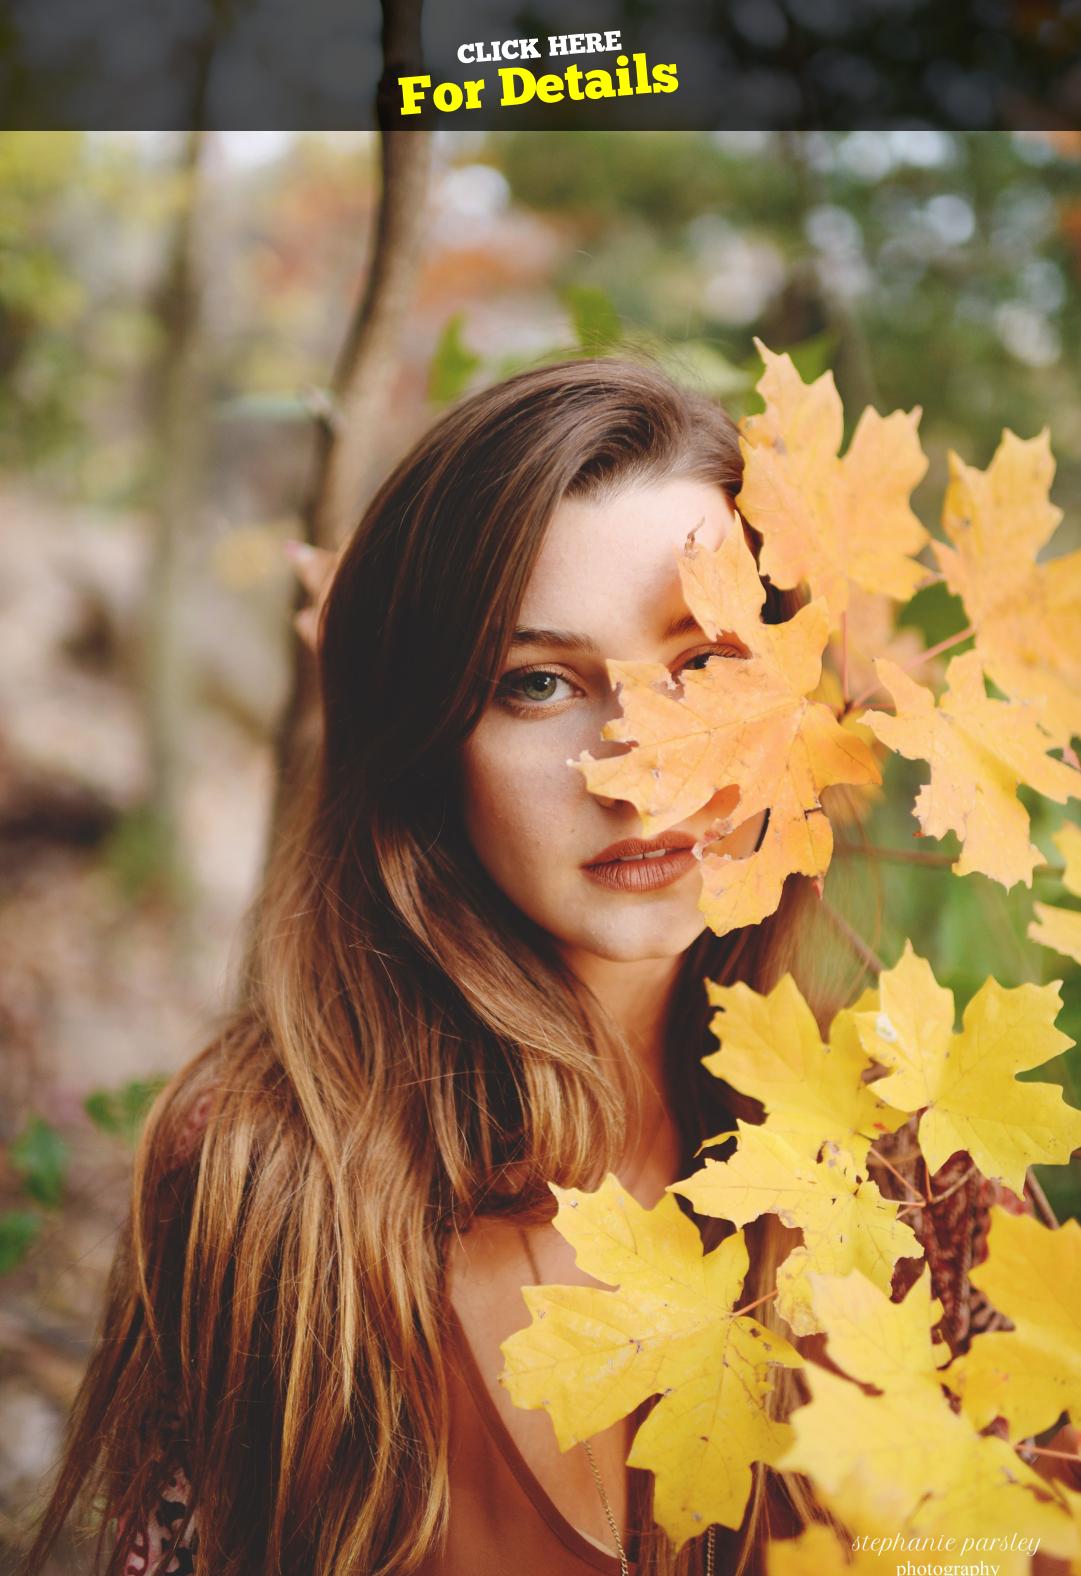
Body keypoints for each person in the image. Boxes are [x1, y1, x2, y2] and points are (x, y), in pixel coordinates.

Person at [20, 359, 1070, 1576]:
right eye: (537, 684)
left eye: (705, 665)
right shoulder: (270, 1177)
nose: (637, 761)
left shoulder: (917, 1162)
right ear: (428, 745)